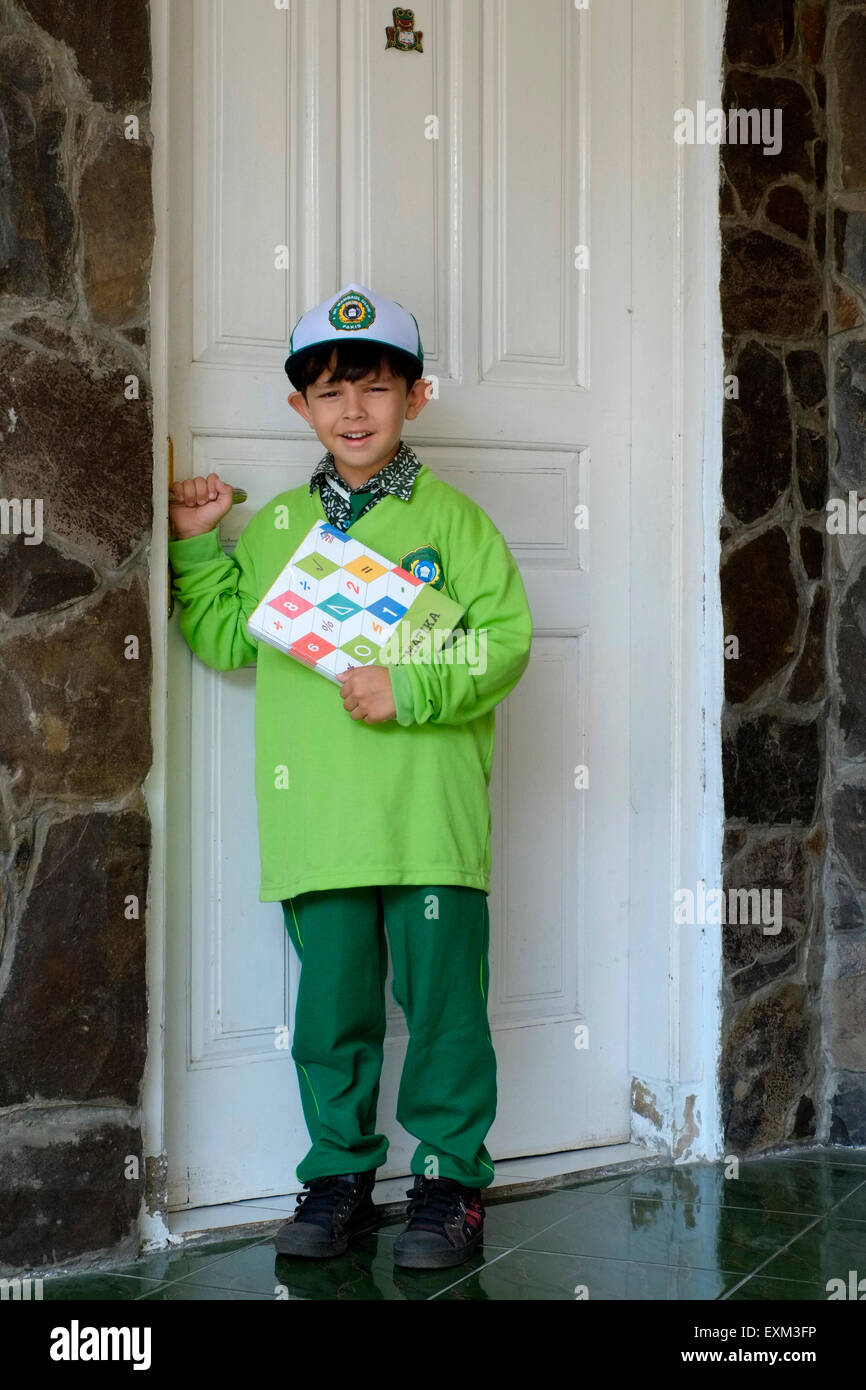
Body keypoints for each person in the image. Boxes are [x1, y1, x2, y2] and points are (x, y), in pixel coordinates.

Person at [168, 283, 533, 1270]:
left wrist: (405, 688)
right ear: (301, 409)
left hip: (429, 821)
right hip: (319, 825)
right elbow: (220, 635)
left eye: (374, 388)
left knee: (445, 1011)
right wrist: (200, 547)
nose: (353, 411)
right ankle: (338, 1177)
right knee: (332, 1015)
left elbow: (504, 644)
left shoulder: (452, 522)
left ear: (414, 397)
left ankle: (449, 1183)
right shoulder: (281, 526)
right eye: (330, 394)